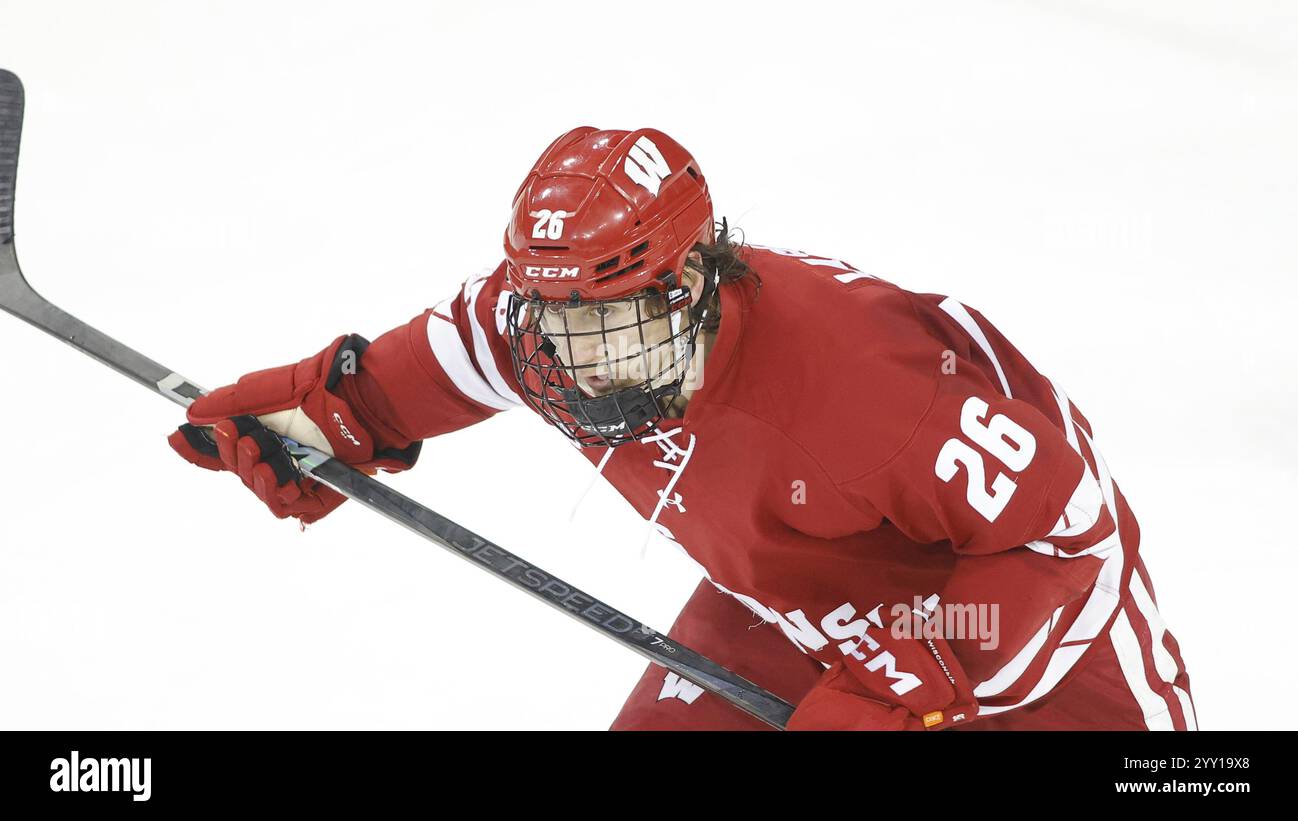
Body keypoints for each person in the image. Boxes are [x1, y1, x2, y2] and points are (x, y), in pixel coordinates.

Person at [168, 127, 1196, 730]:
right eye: (552, 320)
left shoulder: (861, 388)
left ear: (691, 281)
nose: (576, 362)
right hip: (789, 600)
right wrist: (323, 417)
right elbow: (447, 356)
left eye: (605, 323)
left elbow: (1071, 539)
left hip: (1009, 638)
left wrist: (918, 680)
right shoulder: (555, 325)